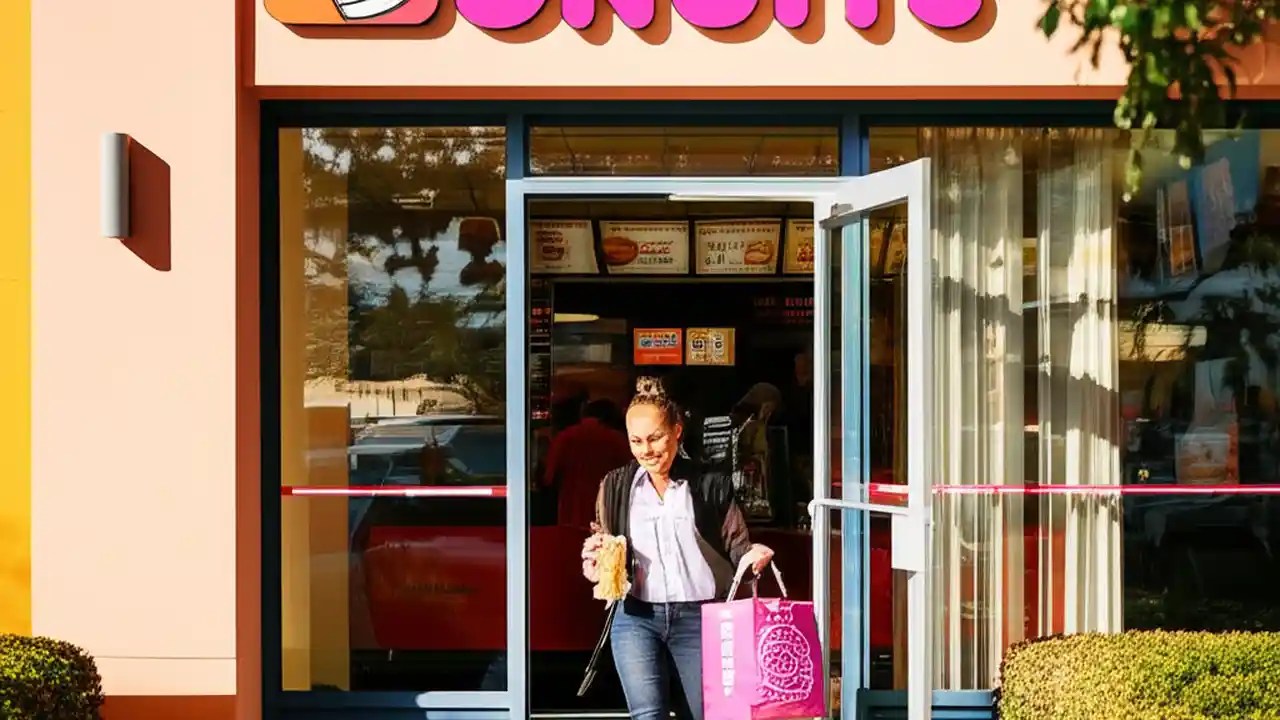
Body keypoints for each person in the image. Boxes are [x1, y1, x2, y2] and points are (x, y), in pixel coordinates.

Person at [579, 377, 775, 720]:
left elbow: (737, 545)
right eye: (636, 441)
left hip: (700, 617)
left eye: (655, 438)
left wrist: (755, 554)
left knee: (705, 713)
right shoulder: (615, 485)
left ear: (677, 431)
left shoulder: (708, 484)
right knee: (647, 715)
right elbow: (605, 541)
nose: (646, 450)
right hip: (636, 616)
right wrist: (595, 560)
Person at [543, 398, 633, 529]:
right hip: (609, 514)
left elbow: (548, 478)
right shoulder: (618, 440)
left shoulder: (564, 437)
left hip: (571, 515)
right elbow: (632, 477)